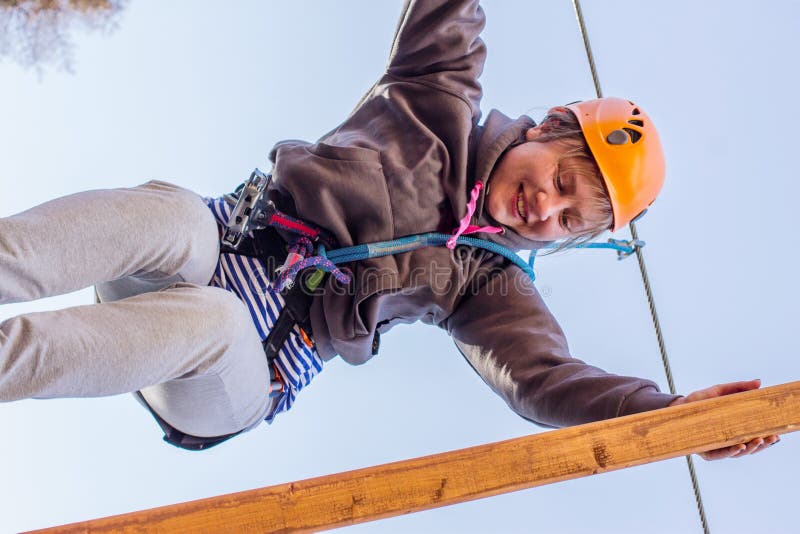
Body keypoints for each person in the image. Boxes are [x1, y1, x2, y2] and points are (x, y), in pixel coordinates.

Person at [0, 0, 777, 459]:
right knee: (169, 210)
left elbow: (544, 382)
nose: (546, 209)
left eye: (569, 221)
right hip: (203, 249)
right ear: (544, 129)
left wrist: (668, 418)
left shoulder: (490, 285)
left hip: (237, 370)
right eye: (562, 181)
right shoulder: (437, 97)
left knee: (212, 320)